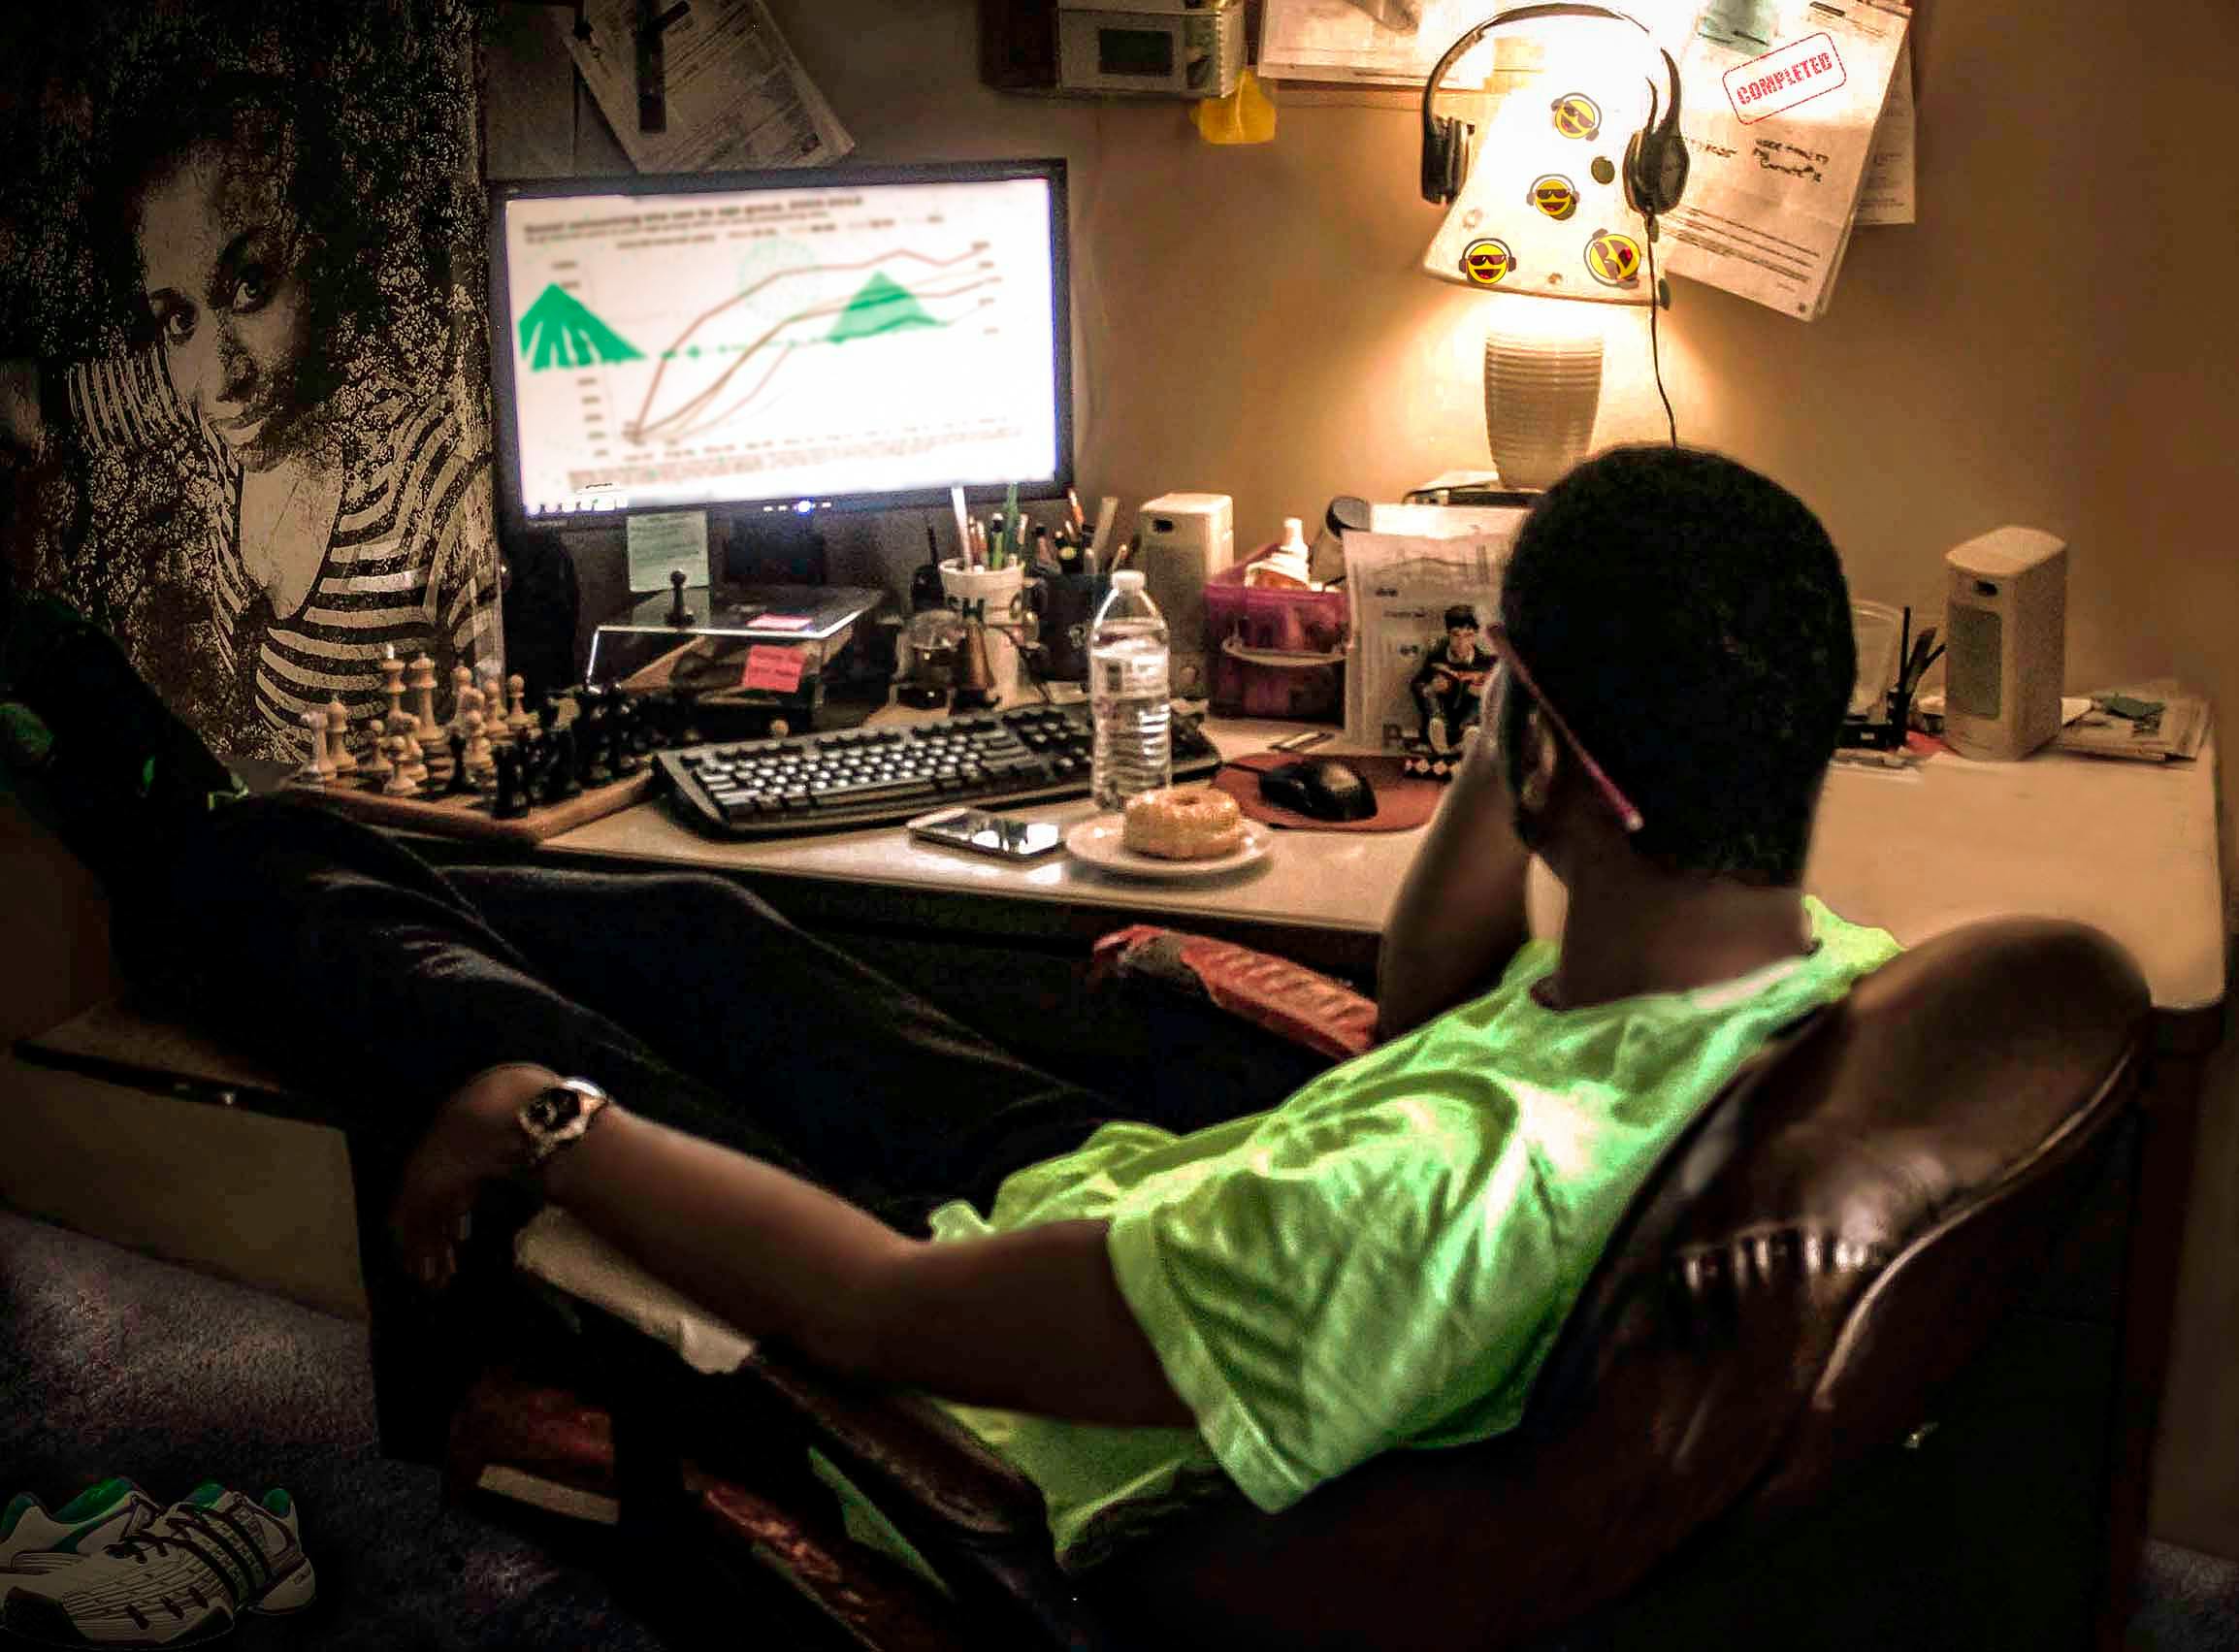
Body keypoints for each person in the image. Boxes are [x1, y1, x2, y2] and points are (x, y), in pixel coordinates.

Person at [0, 444, 1898, 1581]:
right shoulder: (1793, 968)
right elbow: (1425, 998)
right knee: (693, 913)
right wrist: (1533, 735)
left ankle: (190, 844)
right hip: (1127, 1194)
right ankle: (282, 844)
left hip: (960, 1353)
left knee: (461, 1010)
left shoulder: (1417, 1195)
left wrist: (546, 1118)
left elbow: (871, 1313)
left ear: (1548, 744)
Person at [0, 71, 499, 762]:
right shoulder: (200, 407)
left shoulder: (427, 483)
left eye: (251, 284)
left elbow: (509, 734)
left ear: (319, 252)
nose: (222, 374)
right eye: (179, 318)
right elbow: (35, 399)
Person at [1409, 600, 1497, 752]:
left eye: (1468, 636)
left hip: (1467, 718)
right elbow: (1417, 683)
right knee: (1429, 694)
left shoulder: (1485, 662)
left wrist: (1483, 690)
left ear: (1475, 636)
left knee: (1481, 697)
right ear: (1449, 634)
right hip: (1443, 715)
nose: (1462, 643)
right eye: (1456, 635)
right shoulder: (1436, 657)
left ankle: (1467, 736)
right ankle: (1439, 732)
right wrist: (1429, 687)